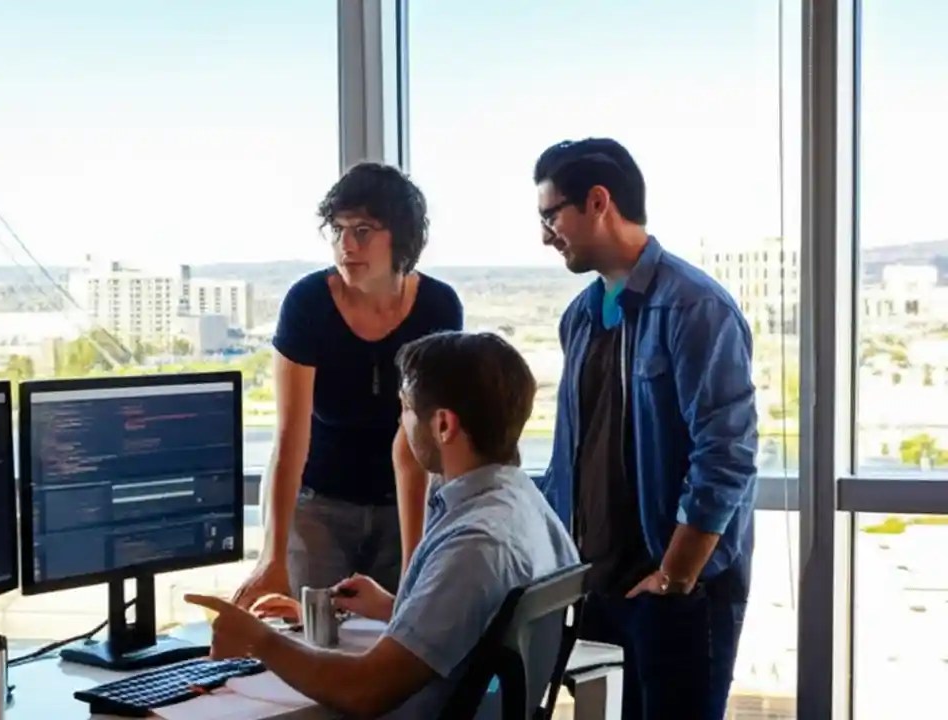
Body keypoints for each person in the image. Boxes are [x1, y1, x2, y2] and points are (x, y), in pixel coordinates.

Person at [187, 331, 579, 718]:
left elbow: (365, 691)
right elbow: (481, 625)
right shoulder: (528, 507)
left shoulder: (475, 544)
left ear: (443, 425)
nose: (401, 421)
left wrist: (261, 641)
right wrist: (398, 609)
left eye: (406, 408)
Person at [532, 137, 758, 720]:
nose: (544, 234)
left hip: (676, 591)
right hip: (600, 587)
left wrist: (676, 576)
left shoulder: (695, 307)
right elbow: (573, 458)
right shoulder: (579, 315)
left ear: (598, 201)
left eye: (551, 215)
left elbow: (725, 455)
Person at [232, 163, 464, 608]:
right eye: (337, 230)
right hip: (318, 504)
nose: (346, 245)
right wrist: (272, 556)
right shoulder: (308, 303)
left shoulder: (437, 306)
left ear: (401, 236)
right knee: (310, 634)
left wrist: (414, 567)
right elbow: (290, 436)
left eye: (363, 230)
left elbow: (412, 446)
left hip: (404, 501)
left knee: (402, 635)